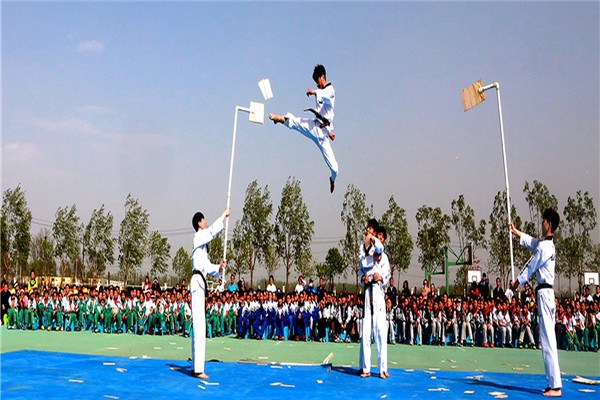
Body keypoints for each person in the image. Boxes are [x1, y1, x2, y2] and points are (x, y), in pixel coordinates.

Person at [509, 208, 562, 397]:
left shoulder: (545, 248)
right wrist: (516, 232)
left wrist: (515, 285)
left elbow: (529, 267)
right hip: (545, 294)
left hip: (545, 294)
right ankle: (552, 383)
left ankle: (555, 386)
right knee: (546, 338)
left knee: (548, 339)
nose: (541, 224)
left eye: (543, 221)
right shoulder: (546, 245)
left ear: (548, 224)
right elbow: (532, 242)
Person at [269, 64, 339, 193]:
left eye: (317, 81)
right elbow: (323, 115)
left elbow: (325, 95)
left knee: (335, 169)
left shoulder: (330, 91)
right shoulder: (322, 92)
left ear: (322, 77)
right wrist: (331, 132)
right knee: (297, 123)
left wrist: (314, 91)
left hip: (323, 136)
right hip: (315, 126)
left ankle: (332, 179)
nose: (317, 85)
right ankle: (280, 119)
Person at [190, 207, 230, 380]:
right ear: (199, 223)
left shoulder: (202, 248)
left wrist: (218, 268)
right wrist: (223, 215)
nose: (205, 223)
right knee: (199, 324)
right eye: (204, 221)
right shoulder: (198, 236)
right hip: (197, 282)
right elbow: (212, 232)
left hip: (200, 281)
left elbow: (206, 266)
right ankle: (198, 369)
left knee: (200, 324)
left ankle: (197, 366)